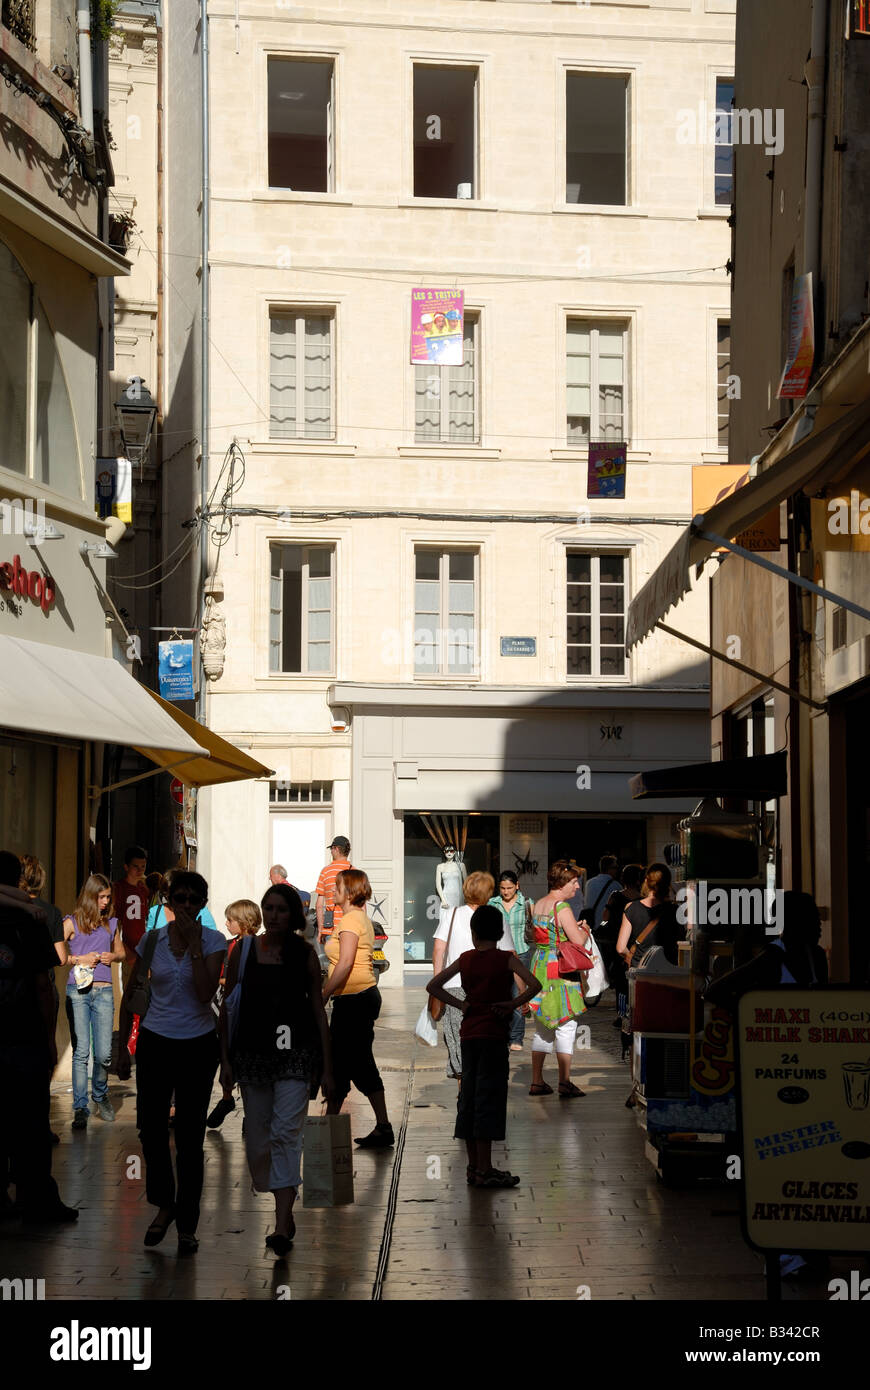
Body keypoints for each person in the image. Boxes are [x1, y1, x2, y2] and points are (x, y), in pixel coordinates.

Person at [220, 884, 333, 1255]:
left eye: (281, 909)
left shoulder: (304, 954)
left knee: (286, 1133)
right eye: (268, 908)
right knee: (256, 1141)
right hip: (252, 1057)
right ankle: (282, 1199)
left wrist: (327, 1066)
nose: (273, 915)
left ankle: (283, 1220)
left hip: (295, 1056)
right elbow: (229, 1006)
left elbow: (318, 1010)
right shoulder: (244, 950)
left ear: (293, 914)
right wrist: (225, 1060)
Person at [123, 870, 225, 1253]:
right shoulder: (152, 940)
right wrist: (122, 1047)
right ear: (168, 902)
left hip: (197, 1045)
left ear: (201, 904)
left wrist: (195, 947)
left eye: (192, 900)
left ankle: (187, 1222)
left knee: (189, 1137)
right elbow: (133, 988)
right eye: (178, 898)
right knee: (150, 1129)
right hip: (156, 1040)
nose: (184, 905)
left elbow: (203, 993)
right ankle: (165, 1204)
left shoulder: (214, 941)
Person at [427, 904, 541, 1188]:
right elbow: (534, 985)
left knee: (469, 1097)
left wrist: (462, 1004)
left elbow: (434, 986)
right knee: (489, 1099)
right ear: (501, 932)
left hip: (469, 1036)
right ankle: (486, 1168)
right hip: (494, 1038)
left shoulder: (465, 960)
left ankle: (472, 1167)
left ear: (473, 933)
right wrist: (512, 1004)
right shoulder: (506, 959)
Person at [0, 851, 77, 1224]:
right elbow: (42, 987)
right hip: (24, 1034)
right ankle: (36, 1197)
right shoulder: (30, 918)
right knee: (31, 1122)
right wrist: (50, 1039)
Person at [322, 868, 392, 1147]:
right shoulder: (357, 918)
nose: (333, 891)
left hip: (355, 998)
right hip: (355, 998)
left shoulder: (350, 920)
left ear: (349, 892)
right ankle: (329, 1125)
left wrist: (324, 992)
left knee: (358, 1062)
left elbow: (346, 962)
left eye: (337, 886)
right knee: (343, 1062)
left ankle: (382, 1126)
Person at [432, 872, 512, 1085]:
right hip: (490, 988)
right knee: (488, 1040)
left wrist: (438, 981)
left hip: (454, 988)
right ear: (488, 893)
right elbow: (510, 956)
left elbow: (439, 950)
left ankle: (463, 1091)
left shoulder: (452, 914)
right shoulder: (496, 916)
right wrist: (521, 993)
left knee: (460, 1042)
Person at [62, 874, 125, 1129]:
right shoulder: (71, 922)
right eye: (102, 897)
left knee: (104, 1053)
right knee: (81, 1052)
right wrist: (79, 959)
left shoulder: (111, 923)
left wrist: (113, 956)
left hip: (103, 991)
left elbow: (122, 952)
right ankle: (80, 1107)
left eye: (108, 897)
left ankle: (99, 1094)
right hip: (78, 990)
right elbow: (57, 954)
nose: (106, 901)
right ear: (90, 896)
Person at [527, 860, 589, 1098]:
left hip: (540, 965)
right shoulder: (562, 907)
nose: (577, 888)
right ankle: (564, 1081)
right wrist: (585, 929)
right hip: (559, 970)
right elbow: (578, 941)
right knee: (566, 1024)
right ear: (563, 883)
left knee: (543, 1026)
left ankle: (537, 1081)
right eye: (574, 882)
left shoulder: (539, 904)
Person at [18, 856, 65, 1141]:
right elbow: (60, 957)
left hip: (11, 999)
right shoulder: (49, 912)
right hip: (41, 991)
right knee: (40, 1060)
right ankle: (40, 1126)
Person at [206, 899, 263, 1128]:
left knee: (242, 1058)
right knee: (224, 1055)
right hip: (220, 1007)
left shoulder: (255, 947)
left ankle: (248, 1112)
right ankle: (227, 1097)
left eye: (230, 920)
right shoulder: (227, 945)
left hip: (240, 1009)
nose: (227, 923)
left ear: (244, 922)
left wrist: (223, 981)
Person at [615, 863, 678, 1061]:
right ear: (668, 884)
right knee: (662, 1021)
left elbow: (620, 947)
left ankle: (637, 1067)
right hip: (667, 975)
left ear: (645, 882)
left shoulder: (631, 908)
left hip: (638, 975)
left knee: (637, 1021)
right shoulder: (675, 911)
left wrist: (633, 959)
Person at [488, 871, 530, 1052]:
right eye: (503, 888)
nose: (506, 892)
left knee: (518, 995)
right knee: (499, 995)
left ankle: (516, 1037)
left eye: (510, 888)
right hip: (498, 955)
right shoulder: (492, 904)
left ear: (517, 886)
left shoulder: (527, 904)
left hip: (521, 953)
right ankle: (501, 1034)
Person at [599, 863, 644, 1022]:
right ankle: (637, 1011)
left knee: (621, 983)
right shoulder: (643, 899)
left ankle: (622, 1014)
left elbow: (605, 916)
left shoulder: (616, 896)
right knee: (638, 980)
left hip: (618, 942)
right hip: (638, 944)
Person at [113, 846, 150, 993]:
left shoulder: (144, 889)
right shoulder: (118, 889)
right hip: (129, 952)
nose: (140, 870)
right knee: (130, 996)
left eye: (143, 866)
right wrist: (126, 953)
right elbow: (113, 924)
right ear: (126, 867)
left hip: (145, 952)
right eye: (135, 866)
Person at [146, 869, 219, 933]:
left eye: (179, 897)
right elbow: (148, 940)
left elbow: (212, 939)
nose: (186, 905)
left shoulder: (201, 911)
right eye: (166, 895)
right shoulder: (155, 912)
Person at [315, 837, 352, 943]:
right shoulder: (354, 872)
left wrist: (320, 931)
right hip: (350, 928)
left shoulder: (326, 872)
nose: (331, 851)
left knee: (333, 959)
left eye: (331, 848)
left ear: (336, 849)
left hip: (330, 930)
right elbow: (361, 905)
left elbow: (319, 905)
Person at [581, 855, 622, 929]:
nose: (617, 870)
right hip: (605, 928)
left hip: (589, 926)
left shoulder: (589, 883)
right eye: (615, 867)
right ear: (609, 869)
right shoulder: (616, 886)